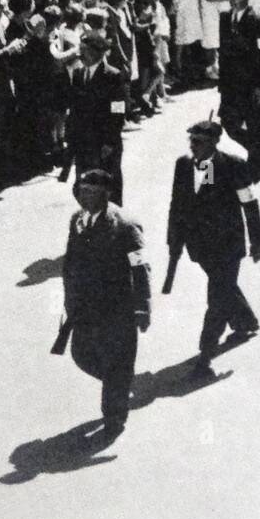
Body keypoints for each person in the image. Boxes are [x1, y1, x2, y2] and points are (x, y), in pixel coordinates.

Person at [165, 119, 260, 379]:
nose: (193, 146)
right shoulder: (183, 166)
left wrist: (257, 241)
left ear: (214, 142)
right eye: (191, 141)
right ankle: (245, 321)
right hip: (200, 247)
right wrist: (173, 241)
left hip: (228, 245)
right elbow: (177, 205)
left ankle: (205, 356)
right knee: (224, 286)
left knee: (217, 298)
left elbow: (249, 204)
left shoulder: (234, 166)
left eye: (199, 142)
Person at [59, 169, 150, 441]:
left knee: (116, 363)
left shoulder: (125, 225)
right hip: (85, 305)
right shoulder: (78, 220)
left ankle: (114, 417)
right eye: (81, 190)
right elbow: (71, 261)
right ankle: (119, 386)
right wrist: (70, 297)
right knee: (82, 354)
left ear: (106, 194)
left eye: (90, 191)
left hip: (117, 307)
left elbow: (140, 267)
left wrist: (142, 306)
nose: (83, 196)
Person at [218, 0, 260, 183]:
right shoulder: (224, 18)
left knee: (257, 125)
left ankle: (256, 171)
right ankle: (258, 149)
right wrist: (222, 84)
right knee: (229, 124)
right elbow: (223, 52)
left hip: (252, 85)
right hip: (231, 85)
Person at [65, 31, 126, 205]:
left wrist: (110, 141)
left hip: (104, 143)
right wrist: (70, 138)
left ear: (95, 52)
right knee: (82, 187)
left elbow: (118, 111)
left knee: (108, 186)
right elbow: (74, 108)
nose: (80, 55)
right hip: (83, 142)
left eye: (84, 51)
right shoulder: (77, 74)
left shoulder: (113, 76)